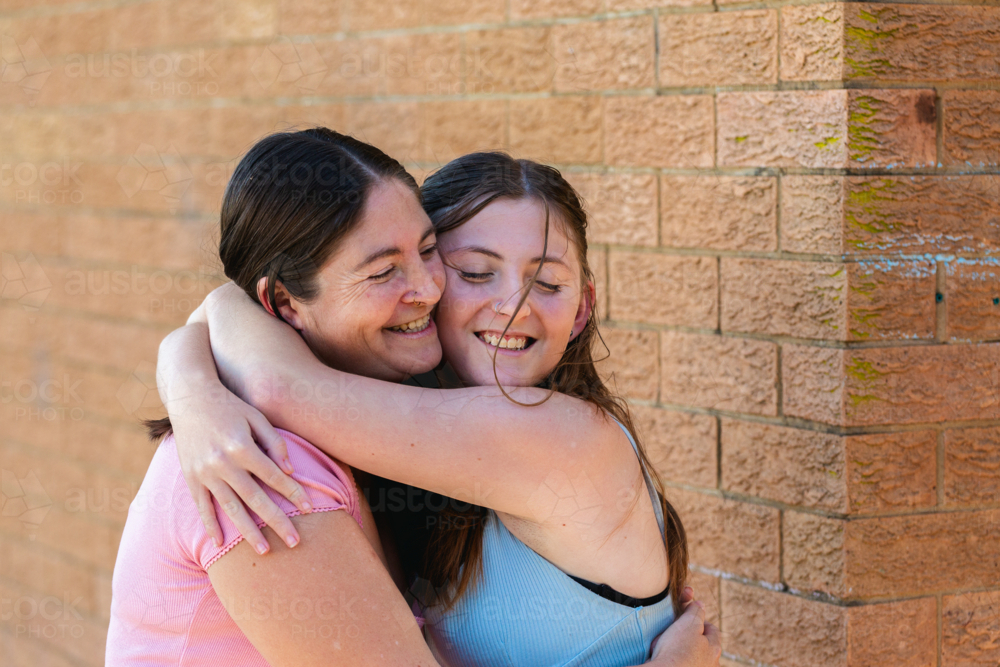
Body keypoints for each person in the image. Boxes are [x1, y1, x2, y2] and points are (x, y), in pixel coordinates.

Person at [153, 144, 720, 666]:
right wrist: (189, 384)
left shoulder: (564, 440)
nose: (513, 307)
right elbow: (233, 309)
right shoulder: (426, 447)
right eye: (474, 272)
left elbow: (274, 375)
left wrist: (193, 389)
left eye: (546, 283)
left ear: (582, 309)